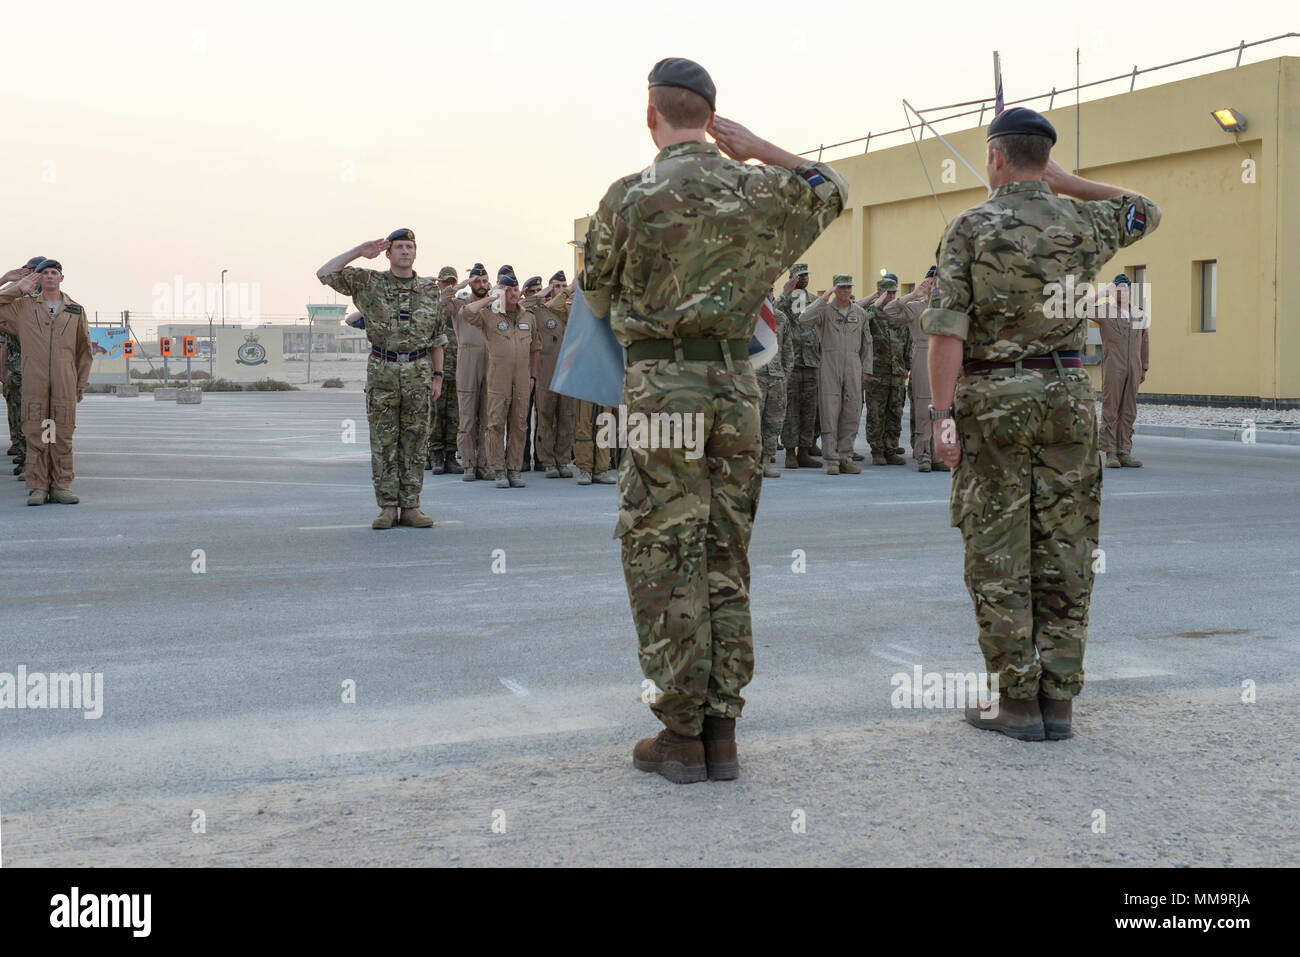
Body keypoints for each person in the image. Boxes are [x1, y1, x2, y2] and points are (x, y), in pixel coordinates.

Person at [582, 57, 846, 783]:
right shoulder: (761, 186)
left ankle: (679, 730)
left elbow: (595, 294)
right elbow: (834, 189)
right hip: (736, 383)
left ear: (651, 116)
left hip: (662, 386)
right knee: (726, 546)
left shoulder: (629, 196)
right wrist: (760, 147)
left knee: (663, 549)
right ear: (714, 118)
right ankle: (721, 729)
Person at [923, 107, 1161, 741]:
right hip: (1066, 394)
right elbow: (1145, 208)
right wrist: (1070, 182)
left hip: (995, 396)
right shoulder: (1083, 221)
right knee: (1066, 545)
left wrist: (939, 415)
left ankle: (1017, 701)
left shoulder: (970, 227)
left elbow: (948, 330)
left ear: (997, 158)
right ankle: (1059, 699)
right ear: (1044, 160)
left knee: (998, 549)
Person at [316, 229, 446, 529]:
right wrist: (359, 251)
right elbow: (324, 273)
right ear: (388, 253)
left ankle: (411, 507)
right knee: (384, 441)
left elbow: (438, 338)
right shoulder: (368, 282)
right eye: (399, 247)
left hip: (419, 370)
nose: (405, 252)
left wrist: (438, 376)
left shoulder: (429, 291)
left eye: (409, 247)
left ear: (416, 252)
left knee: (415, 441)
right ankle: (387, 507)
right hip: (383, 370)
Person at [0, 260, 93, 505]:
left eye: (54, 273)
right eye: (44, 273)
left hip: (64, 382)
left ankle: (61, 485)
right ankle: (38, 487)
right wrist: (13, 286)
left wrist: (81, 382)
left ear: (62, 278)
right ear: (37, 279)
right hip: (34, 382)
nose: (49, 276)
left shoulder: (76, 310)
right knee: (37, 434)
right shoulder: (22, 307)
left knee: (61, 434)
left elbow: (84, 350)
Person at [461, 274, 539, 488]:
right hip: (498, 381)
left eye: (515, 290)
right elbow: (466, 313)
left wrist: (533, 376)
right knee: (495, 425)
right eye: (507, 289)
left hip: (522, 381)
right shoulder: (489, 316)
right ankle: (498, 470)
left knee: (520, 425)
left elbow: (535, 350)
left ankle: (514, 469)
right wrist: (489, 298)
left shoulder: (528, 318)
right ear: (500, 291)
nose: (512, 294)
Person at [798, 276, 872, 475]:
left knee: (852, 410)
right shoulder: (824, 311)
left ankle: (846, 457)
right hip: (830, 364)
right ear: (835, 289)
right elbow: (803, 318)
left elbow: (867, 344)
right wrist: (823, 299)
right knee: (830, 411)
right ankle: (832, 459)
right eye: (841, 287)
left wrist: (866, 369)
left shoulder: (860, 313)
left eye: (849, 287)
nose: (846, 291)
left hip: (853, 365)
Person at [883, 268, 941, 471]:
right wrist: (914, 294)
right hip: (923, 354)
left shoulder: (949, 307)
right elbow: (889, 310)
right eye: (931, 282)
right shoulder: (916, 307)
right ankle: (924, 455)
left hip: (944, 355)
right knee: (924, 407)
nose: (935, 286)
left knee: (943, 408)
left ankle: (938, 454)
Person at [442, 263, 494, 481]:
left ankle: (484, 462)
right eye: (476, 281)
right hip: (467, 359)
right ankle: (469, 464)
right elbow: (441, 306)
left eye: (484, 281)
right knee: (467, 418)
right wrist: (459, 285)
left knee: (487, 417)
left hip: (490, 360)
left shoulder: (494, 305)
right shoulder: (460, 303)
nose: (481, 285)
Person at [528, 271, 577, 478]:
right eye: (556, 286)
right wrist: (549, 291)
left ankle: (563, 460)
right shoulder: (541, 311)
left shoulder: (570, 309)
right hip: (547, 372)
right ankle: (547, 461)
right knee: (546, 417)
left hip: (568, 374)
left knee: (567, 417)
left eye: (563, 285)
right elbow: (525, 304)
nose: (561, 289)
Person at [1096, 274, 1149, 468]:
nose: (1123, 293)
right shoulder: (1105, 312)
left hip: (1133, 367)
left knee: (1128, 410)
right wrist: (1102, 293)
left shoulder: (1138, 314)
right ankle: (1110, 453)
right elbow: (1081, 309)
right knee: (1111, 409)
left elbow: (1144, 341)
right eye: (1119, 289)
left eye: (1126, 289)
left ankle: (1124, 451)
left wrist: (1144, 366)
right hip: (1113, 366)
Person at [775, 264, 821, 469]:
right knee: (790, 410)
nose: (803, 279)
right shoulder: (784, 300)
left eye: (805, 275)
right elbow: (773, 312)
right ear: (791, 277)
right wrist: (786, 292)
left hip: (811, 362)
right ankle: (790, 453)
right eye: (799, 276)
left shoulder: (813, 301)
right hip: (791, 364)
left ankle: (805, 450)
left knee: (809, 410)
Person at [2, 256, 44, 480]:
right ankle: (28, 457)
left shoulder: (61, 305)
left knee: (42, 420)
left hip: (44, 371)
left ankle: (42, 465)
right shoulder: (19, 302)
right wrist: (7, 282)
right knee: (23, 415)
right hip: (19, 367)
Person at [860, 274, 909, 465]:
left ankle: (891, 449)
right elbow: (862, 318)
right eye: (887, 293)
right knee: (876, 413)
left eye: (893, 293)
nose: (891, 297)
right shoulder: (871, 314)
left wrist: (907, 364)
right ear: (879, 293)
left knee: (895, 411)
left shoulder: (898, 314)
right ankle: (877, 451)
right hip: (876, 372)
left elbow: (907, 340)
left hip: (896, 371)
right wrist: (876, 304)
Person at [427, 266, 464, 474]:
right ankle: (435, 456)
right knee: (435, 417)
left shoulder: (459, 308)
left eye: (453, 283)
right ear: (439, 284)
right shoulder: (433, 307)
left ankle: (451, 456)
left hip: (457, 373)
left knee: (454, 417)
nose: (450, 286)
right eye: (446, 282)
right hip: (437, 374)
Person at [755, 287, 793, 477]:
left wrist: (785, 375)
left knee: (774, 422)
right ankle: (752, 462)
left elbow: (788, 349)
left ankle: (767, 461)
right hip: (754, 377)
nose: (767, 295)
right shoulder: (747, 316)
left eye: (770, 291)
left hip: (776, 377)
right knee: (753, 422)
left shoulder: (780, 317)